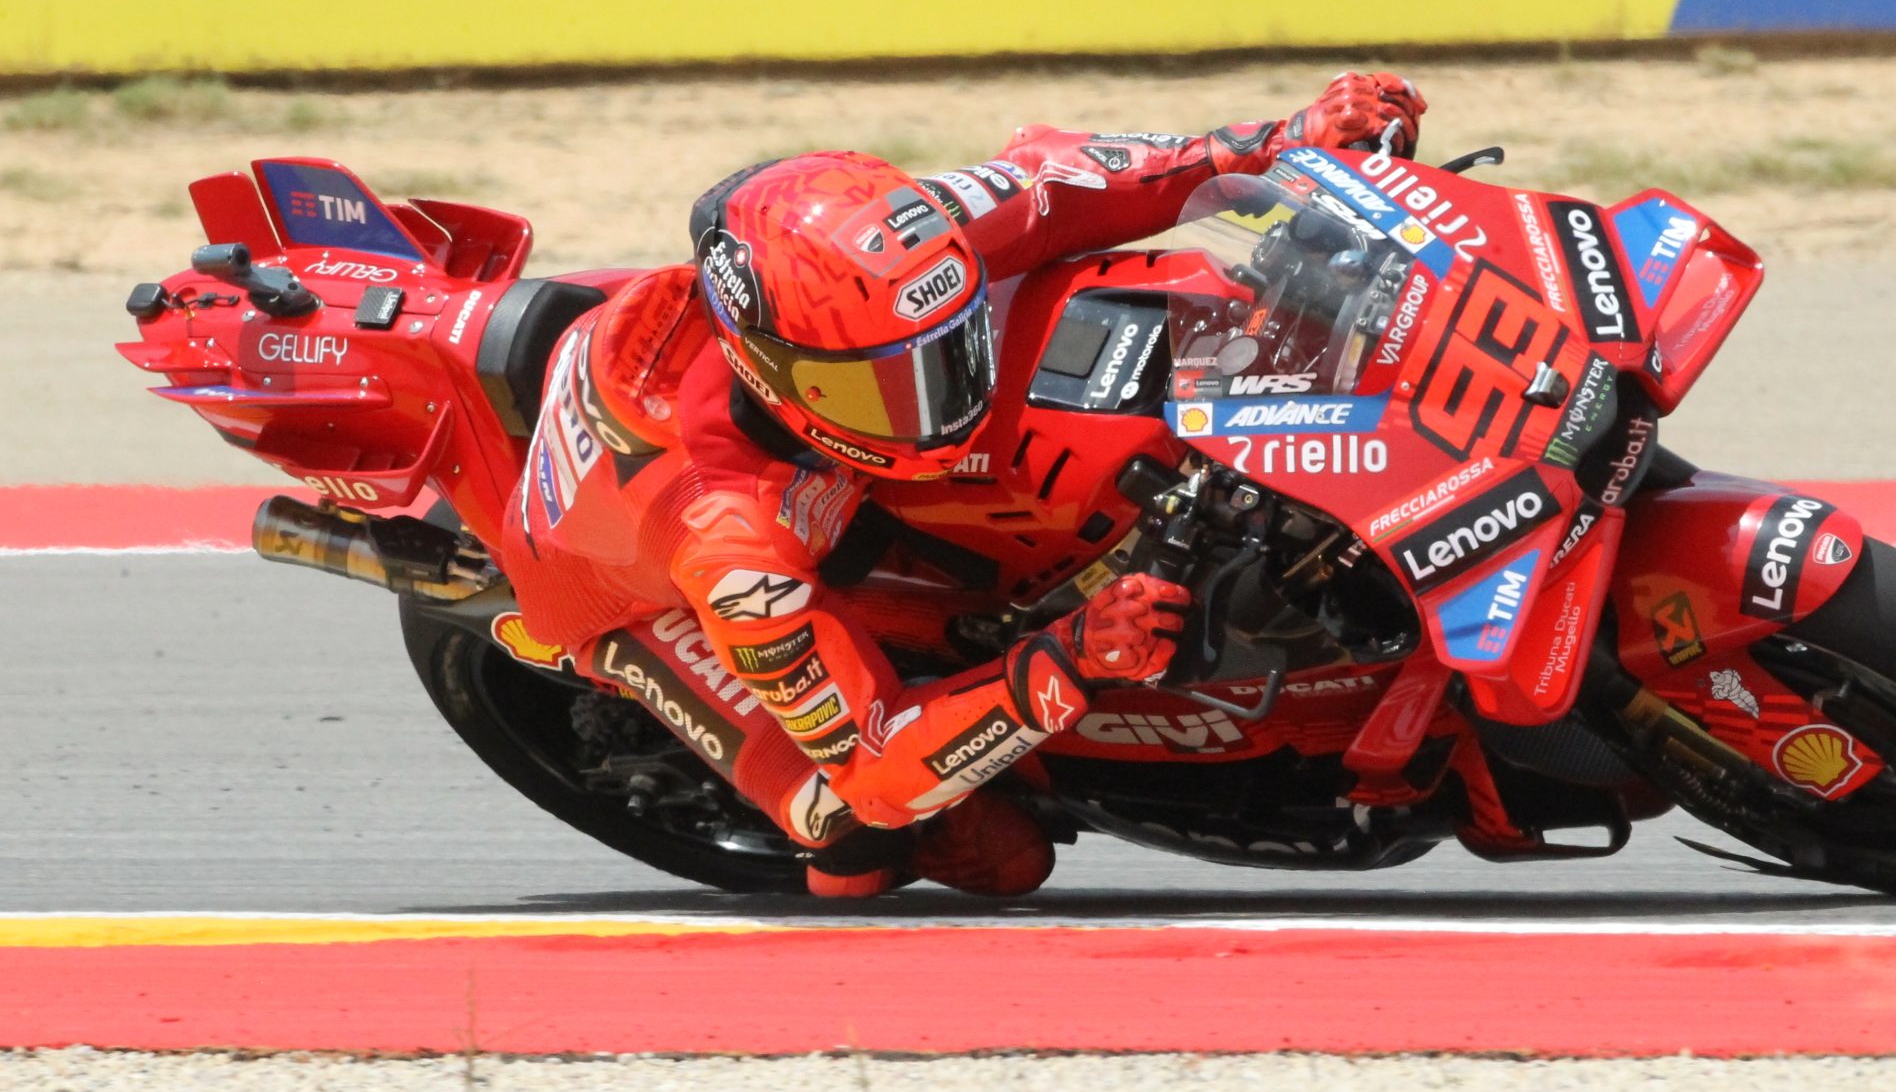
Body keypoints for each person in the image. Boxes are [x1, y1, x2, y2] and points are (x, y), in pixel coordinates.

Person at [497, 73, 1429, 899]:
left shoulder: (897, 251)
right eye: (878, 387)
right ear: (773, 375)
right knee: (884, 830)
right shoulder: (732, 543)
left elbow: (1058, 183)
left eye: (945, 352)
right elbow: (872, 763)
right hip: (620, 593)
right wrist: (1068, 659)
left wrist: (1286, 139)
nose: (932, 405)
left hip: (790, 474)